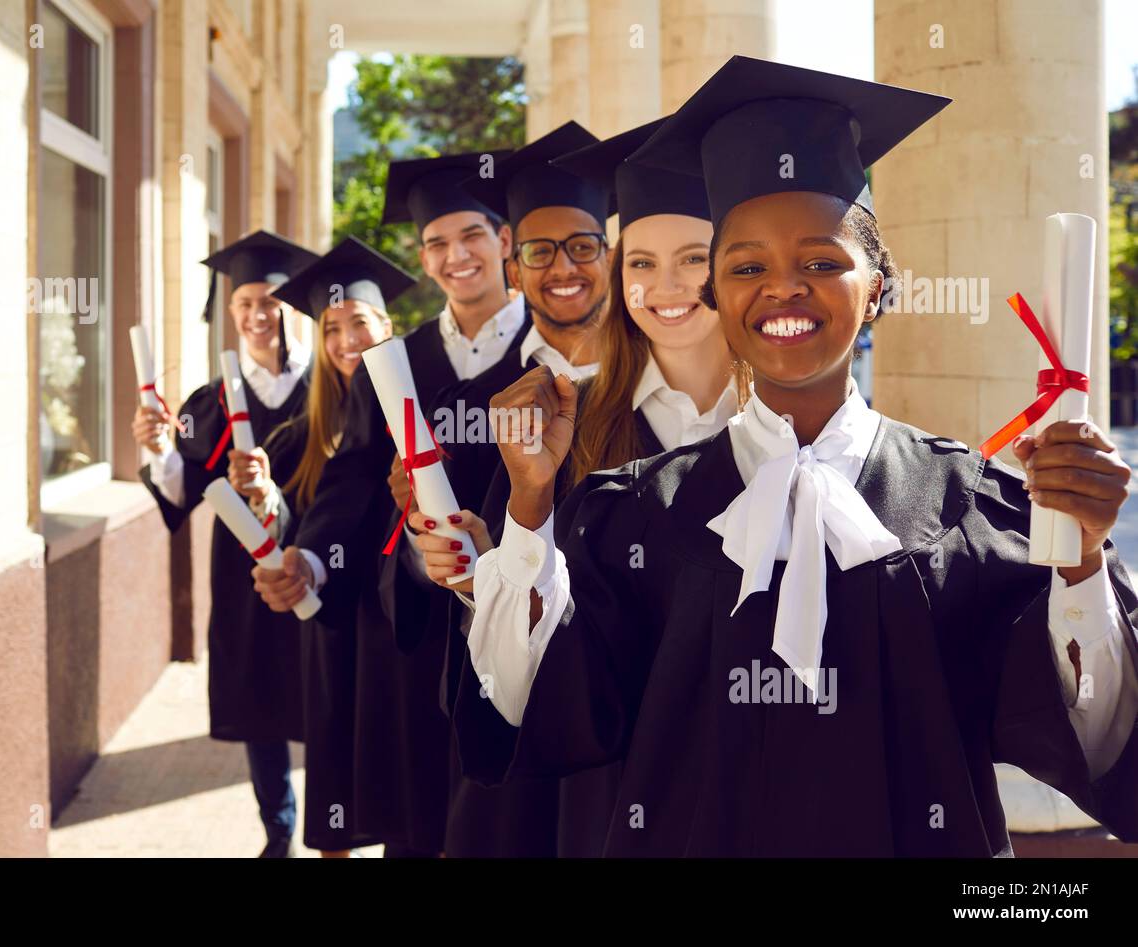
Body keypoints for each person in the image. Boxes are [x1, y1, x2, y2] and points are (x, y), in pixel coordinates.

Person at [416, 56, 1138, 856]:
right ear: (717, 295)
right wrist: (528, 508)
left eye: (823, 262)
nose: (784, 287)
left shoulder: (965, 502)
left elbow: (1093, 733)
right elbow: (529, 706)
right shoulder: (635, 511)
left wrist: (1081, 561)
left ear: (878, 286)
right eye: (747, 266)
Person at [428, 117, 746, 856]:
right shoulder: (567, 422)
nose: (664, 287)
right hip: (610, 782)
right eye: (640, 262)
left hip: (756, 772)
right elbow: (512, 665)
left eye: (695, 258)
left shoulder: (792, 430)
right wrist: (504, 549)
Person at [255, 193, 527, 856]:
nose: (455, 255)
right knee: (418, 815)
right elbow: (349, 479)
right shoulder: (395, 364)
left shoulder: (546, 349)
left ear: (504, 241)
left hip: (524, 620)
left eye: (471, 235)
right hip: (414, 626)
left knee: (513, 815)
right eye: (437, 243)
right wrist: (313, 559)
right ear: (424, 260)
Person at [134, 230, 317, 857]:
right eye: (244, 304)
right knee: (259, 701)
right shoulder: (209, 401)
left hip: (320, 564)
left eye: (270, 302)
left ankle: (331, 822)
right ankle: (279, 829)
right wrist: (158, 447)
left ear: (292, 308)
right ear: (231, 313)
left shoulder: (329, 387)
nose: (257, 315)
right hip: (243, 576)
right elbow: (182, 492)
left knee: (325, 693)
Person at [241, 238, 408, 857]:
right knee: (335, 772)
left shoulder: (416, 402)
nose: (345, 341)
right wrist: (264, 500)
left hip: (398, 619)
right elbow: (290, 517)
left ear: (386, 326)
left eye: (357, 323)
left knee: (401, 783)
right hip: (332, 619)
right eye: (330, 327)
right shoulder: (306, 428)